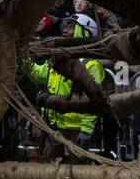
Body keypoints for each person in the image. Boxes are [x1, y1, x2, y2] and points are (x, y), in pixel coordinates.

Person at [22, 13, 105, 157]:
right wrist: (21, 59)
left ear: (85, 33)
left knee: (76, 175)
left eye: (72, 27)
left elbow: (94, 99)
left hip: (76, 131)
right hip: (54, 129)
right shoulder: (56, 59)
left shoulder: (90, 65)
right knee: (50, 173)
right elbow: (36, 73)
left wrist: (86, 130)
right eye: (67, 26)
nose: (66, 30)